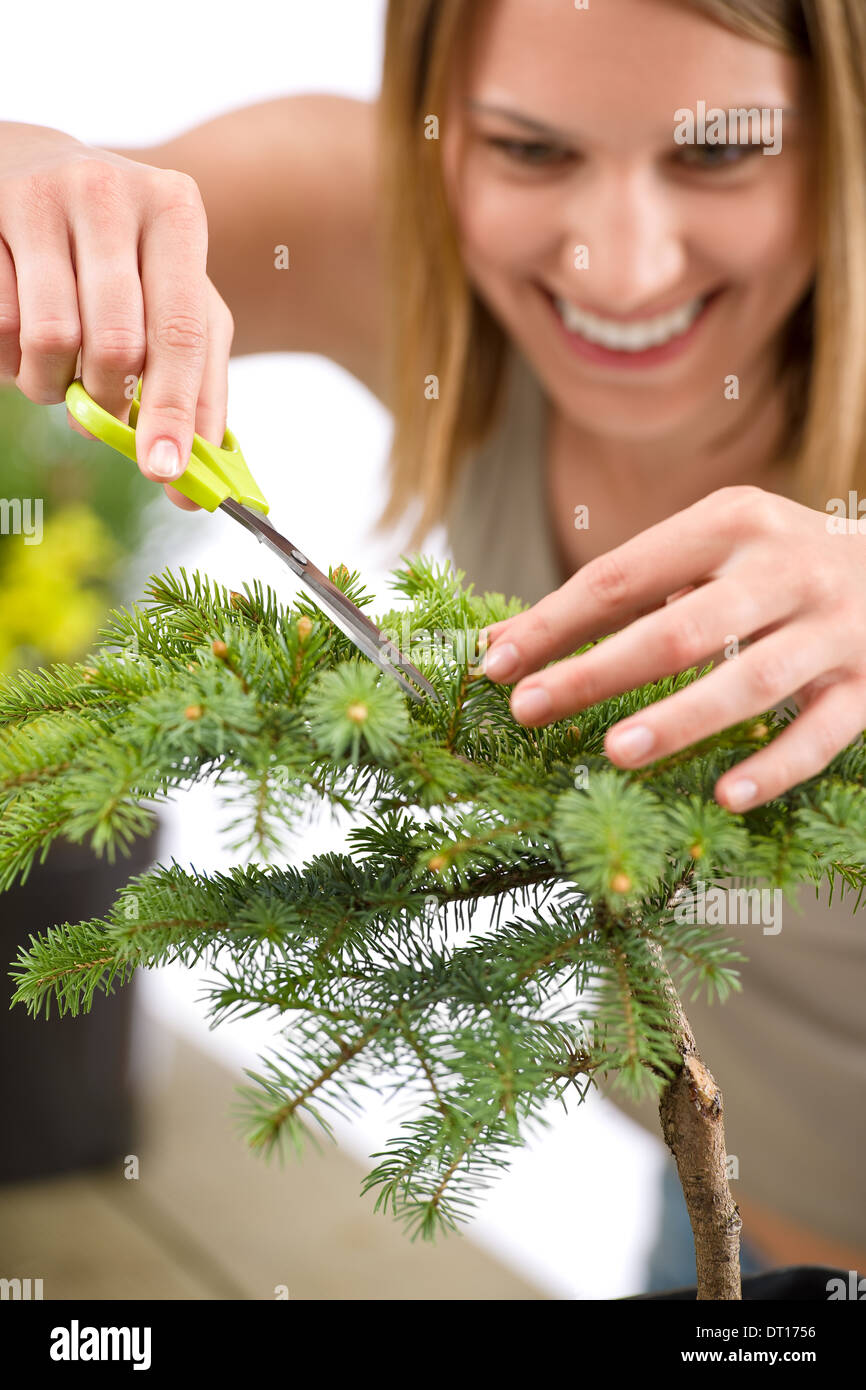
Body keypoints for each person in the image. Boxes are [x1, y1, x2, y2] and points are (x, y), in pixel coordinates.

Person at [0, 0, 864, 1285]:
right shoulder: (379, 227)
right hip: (721, 1215)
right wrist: (33, 183)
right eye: (526, 150)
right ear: (433, 123)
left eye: (717, 153)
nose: (619, 266)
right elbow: (53, 209)